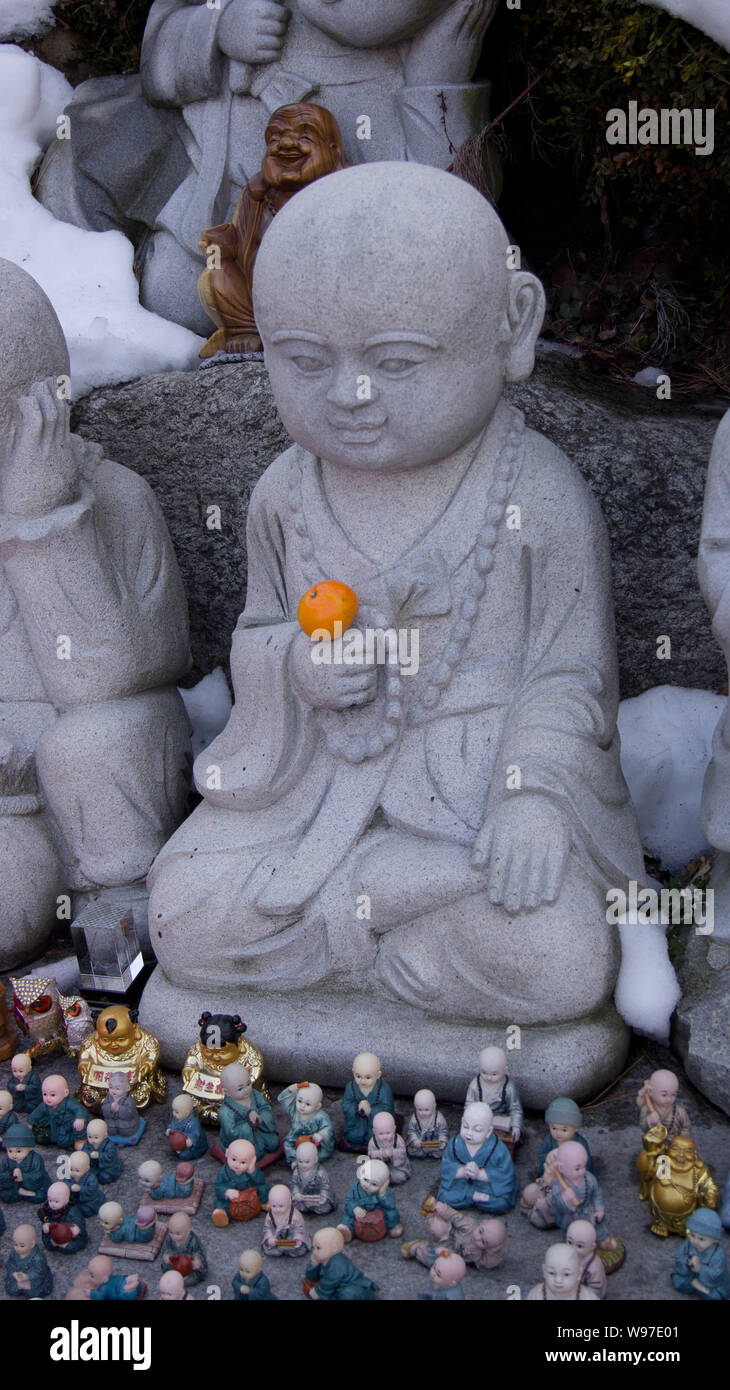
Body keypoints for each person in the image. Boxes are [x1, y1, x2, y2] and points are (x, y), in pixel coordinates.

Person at [145, 163, 646, 1090]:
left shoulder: (532, 491)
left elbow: (568, 678)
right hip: (309, 793)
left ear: (513, 328)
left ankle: (370, 917)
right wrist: (294, 668)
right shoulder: (284, 495)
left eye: (398, 361)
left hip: (471, 801)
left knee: (561, 950)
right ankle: (380, 930)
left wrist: (533, 797)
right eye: (304, 361)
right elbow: (258, 632)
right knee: (179, 909)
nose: (352, 394)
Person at [0, 261, 191, 971]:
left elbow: (110, 676)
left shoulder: (117, 500)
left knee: (98, 734)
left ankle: (115, 905)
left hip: (79, 780)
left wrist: (43, 522)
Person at [438, 1103, 517, 1213]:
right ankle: (472, 1196)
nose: (469, 1133)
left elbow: (505, 1175)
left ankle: (468, 1197)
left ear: (489, 1131)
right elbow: (446, 1168)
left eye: (477, 1130)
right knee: (443, 1196)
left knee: (502, 1203)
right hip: (462, 1184)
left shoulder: (498, 1149)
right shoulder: (454, 1144)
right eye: (465, 1126)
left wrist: (480, 1175)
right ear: (461, 1122)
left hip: (486, 1186)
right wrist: (462, 1172)